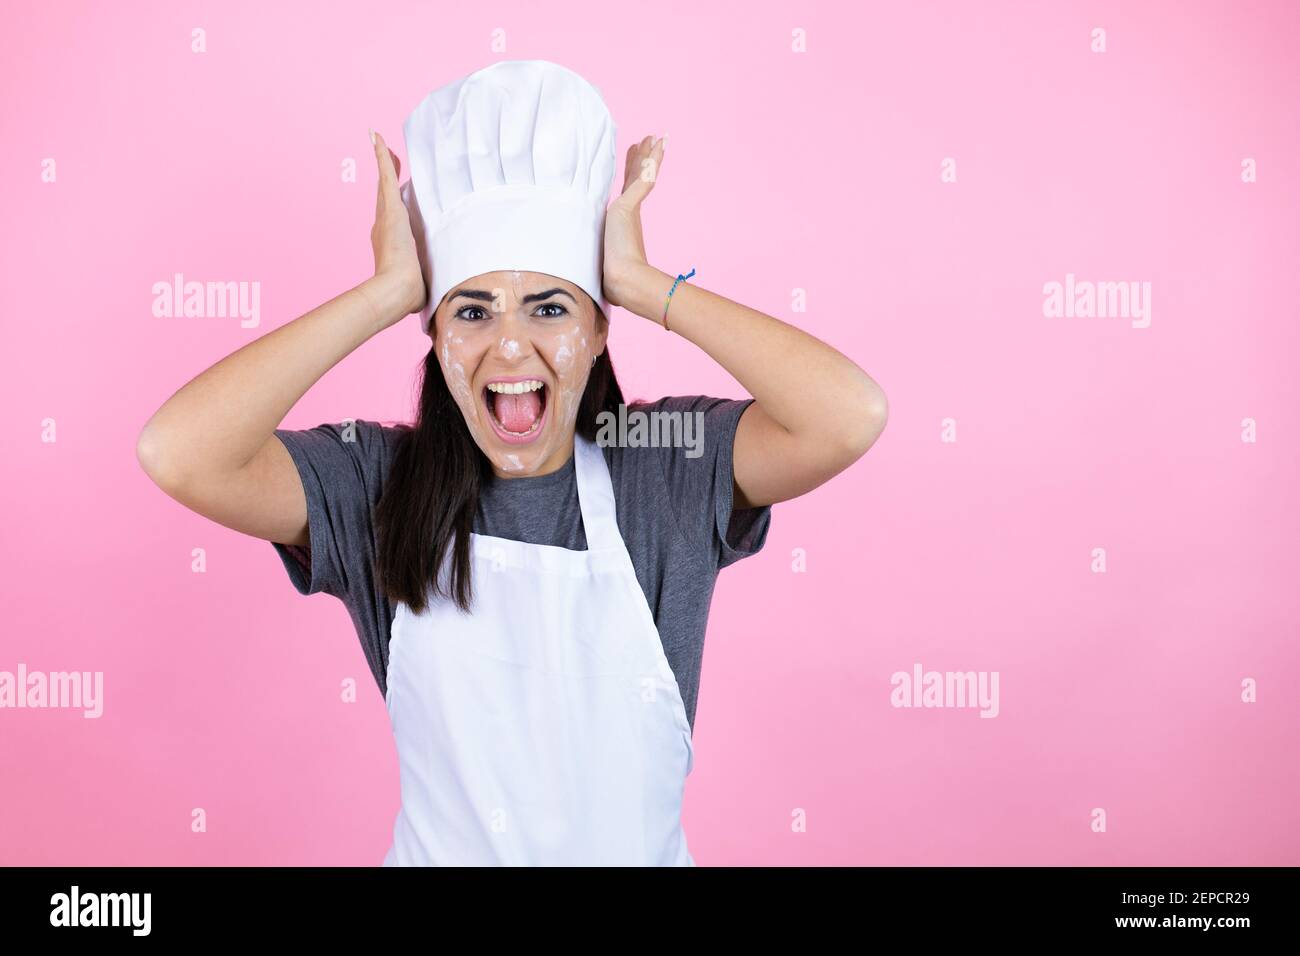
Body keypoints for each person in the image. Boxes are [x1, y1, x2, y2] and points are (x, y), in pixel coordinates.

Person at [136, 60, 888, 866]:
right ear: (434, 335)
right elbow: (177, 453)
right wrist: (389, 292)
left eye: (551, 307)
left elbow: (849, 415)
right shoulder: (374, 484)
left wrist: (639, 281)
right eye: (471, 310)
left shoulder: (663, 471)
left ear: (600, 330)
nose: (509, 346)